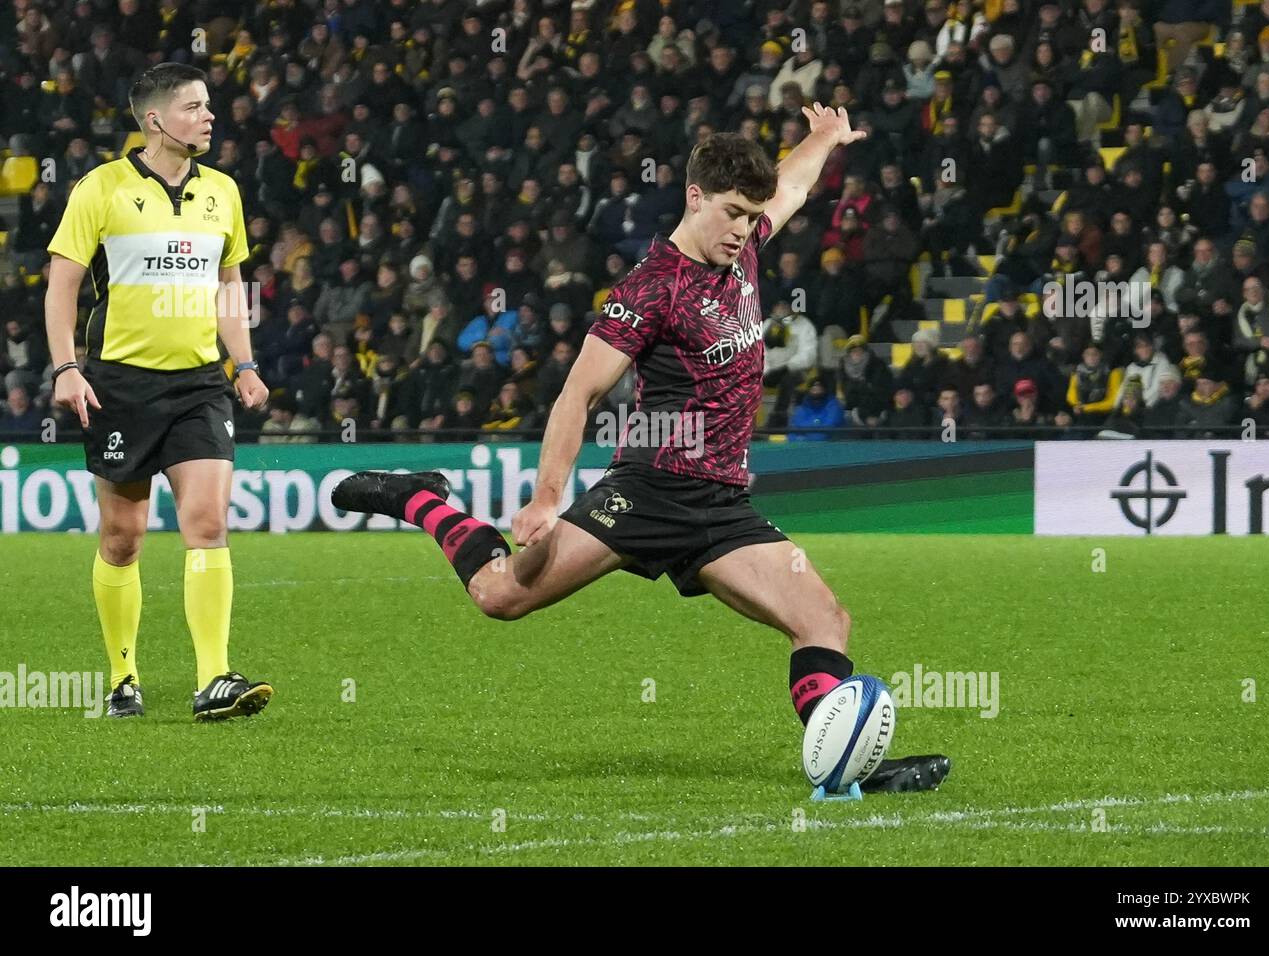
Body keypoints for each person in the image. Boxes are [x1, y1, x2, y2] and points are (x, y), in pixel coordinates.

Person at [334, 121, 950, 793]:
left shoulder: (741, 252)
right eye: (733, 214)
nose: (745, 229)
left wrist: (828, 138)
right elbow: (580, 392)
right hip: (648, 492)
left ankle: (842, 770)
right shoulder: (650, 288)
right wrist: (547, 495)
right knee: (500, 594)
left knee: (824, 618)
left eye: (751, 216)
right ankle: (417, 498)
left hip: (721, 505)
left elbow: (795, 184)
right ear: (694, 197)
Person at [44, 63, 273, 721]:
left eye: (209, 106)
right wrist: (66, 368)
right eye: (195, 107)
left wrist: (245, 362)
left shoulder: (223, 191)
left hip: (201, 383)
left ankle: (214, 680)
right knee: (124, 539)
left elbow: (230, 283)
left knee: (207, 522)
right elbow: (61, 285)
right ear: (155, 120)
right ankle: (123, 677)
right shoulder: (103, 189)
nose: (209, 116)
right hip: (120, 384)